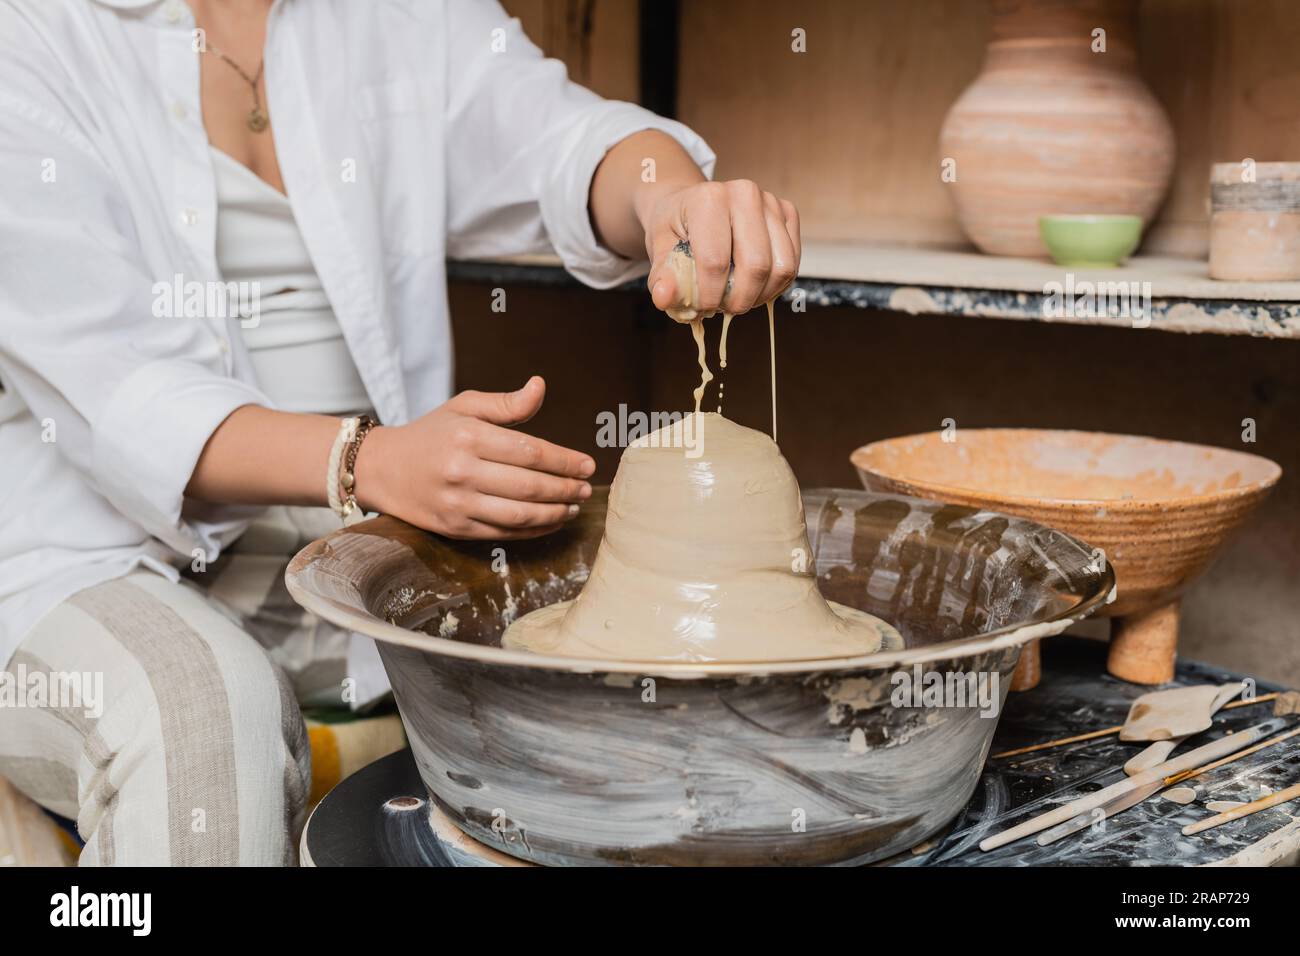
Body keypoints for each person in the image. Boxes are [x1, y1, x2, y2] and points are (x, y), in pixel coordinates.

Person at [0, 0, 801, 865]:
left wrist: (673, 195)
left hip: (367, 539)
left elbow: (558, 139)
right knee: (202, 705)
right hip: (88, 556)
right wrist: (366, 459)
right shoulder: (30, 30)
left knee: (608, 690)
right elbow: (117, 389)